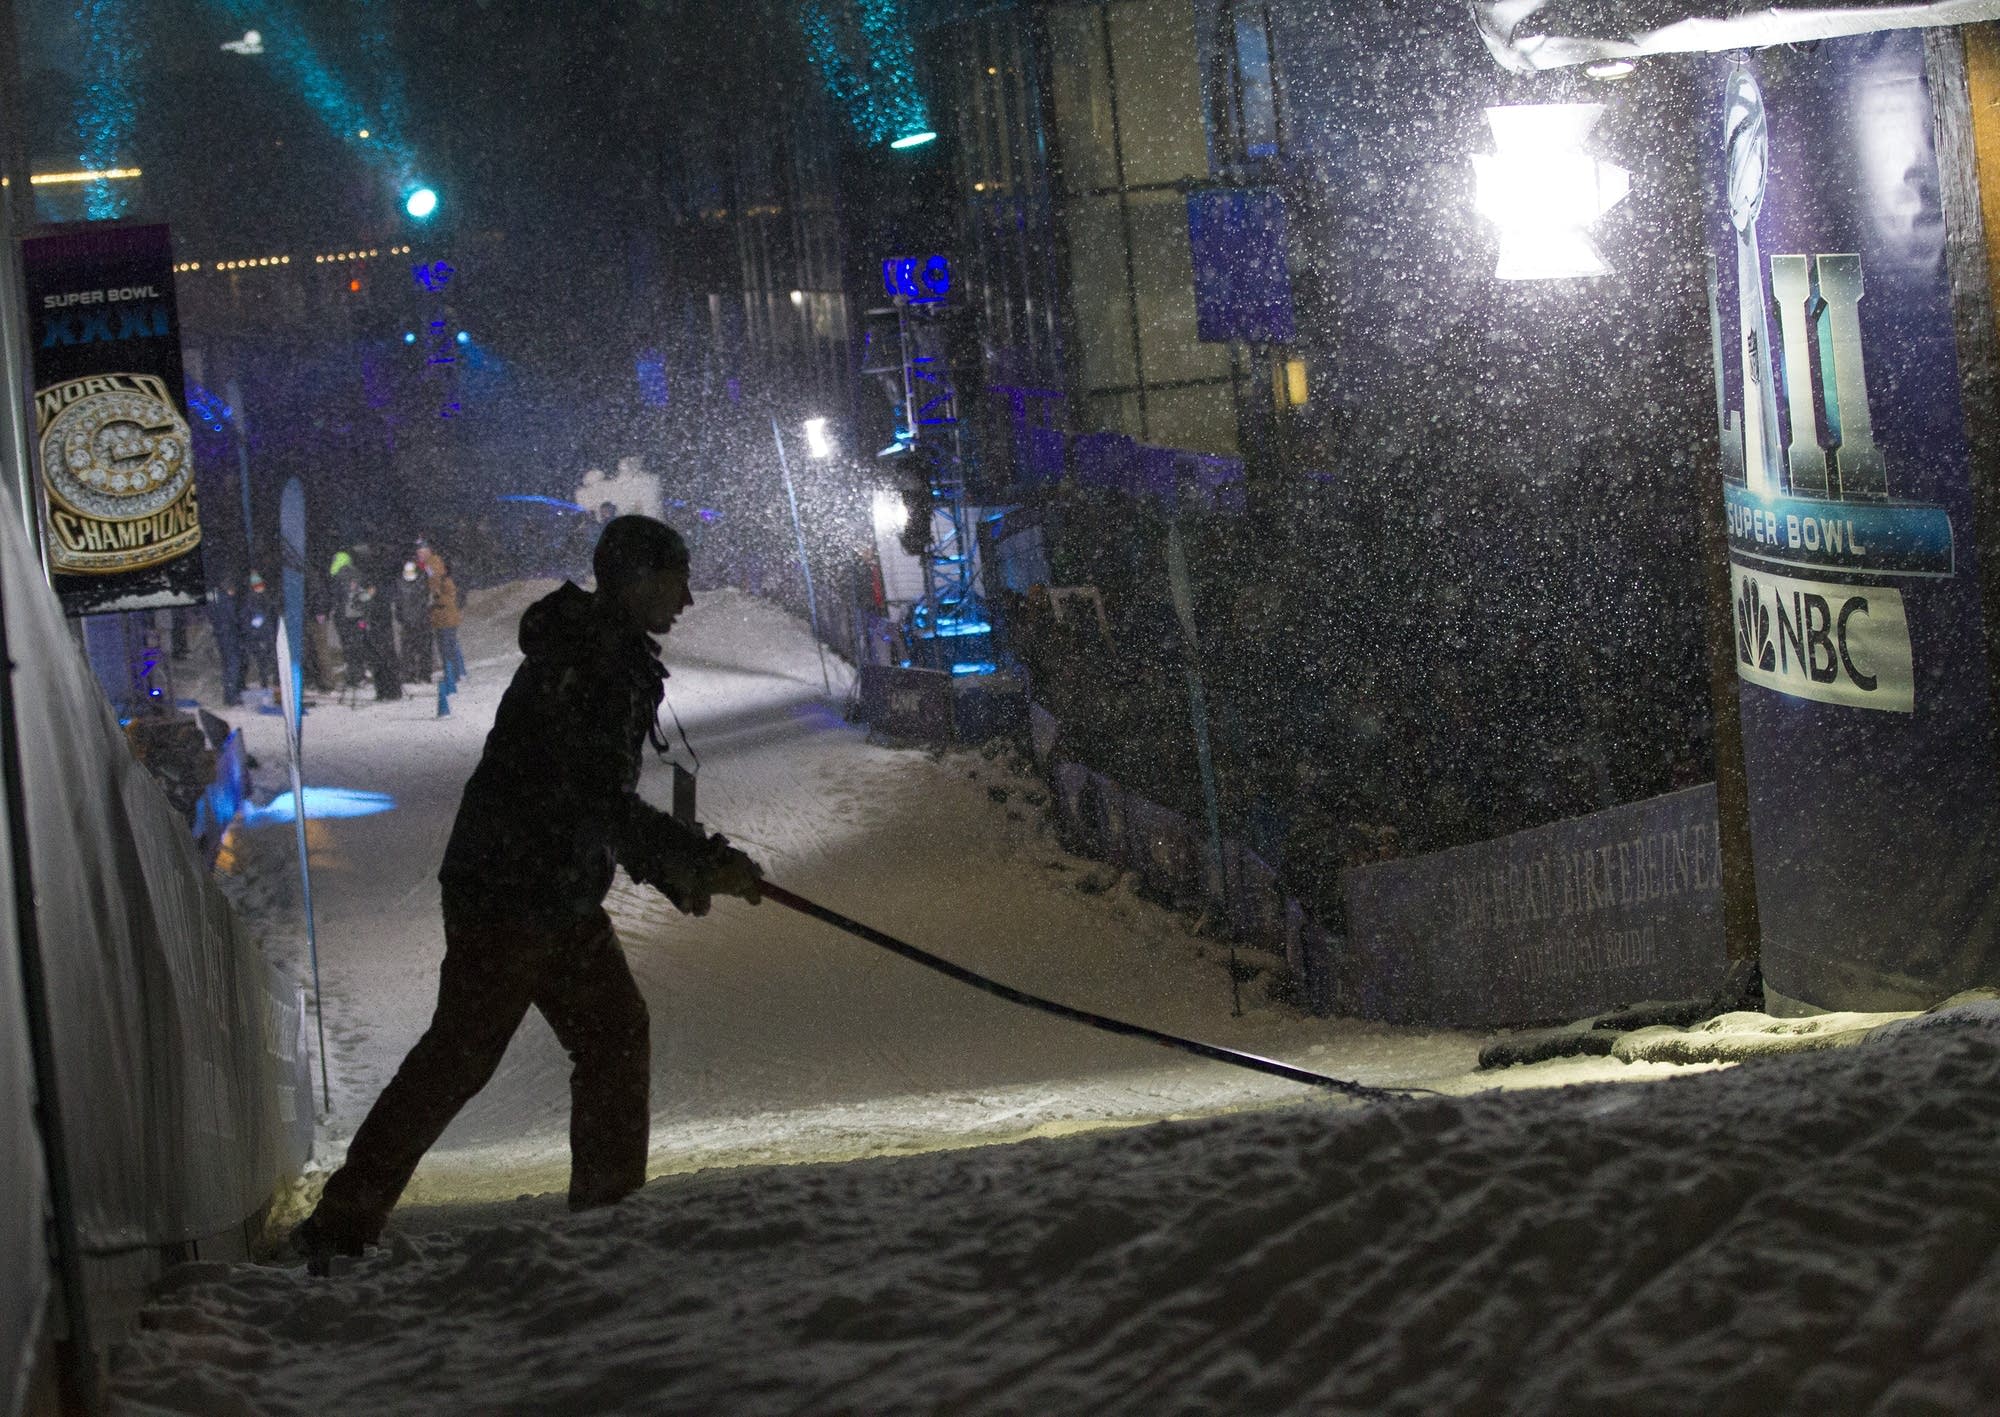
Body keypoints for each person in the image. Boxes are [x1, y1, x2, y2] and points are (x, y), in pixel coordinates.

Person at [292, 515, 763, 1273]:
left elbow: (594, 800)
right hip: (513, 889)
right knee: (462, 1056)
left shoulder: (601, 654)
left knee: (608, 1035)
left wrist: (686, 865)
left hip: (549, 887)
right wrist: (696, 864)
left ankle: (605, 1221)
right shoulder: (593, 663)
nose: (689, 598)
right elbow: (593, 797)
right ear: (638, 579)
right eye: (677, 578)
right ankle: (343, 1221)